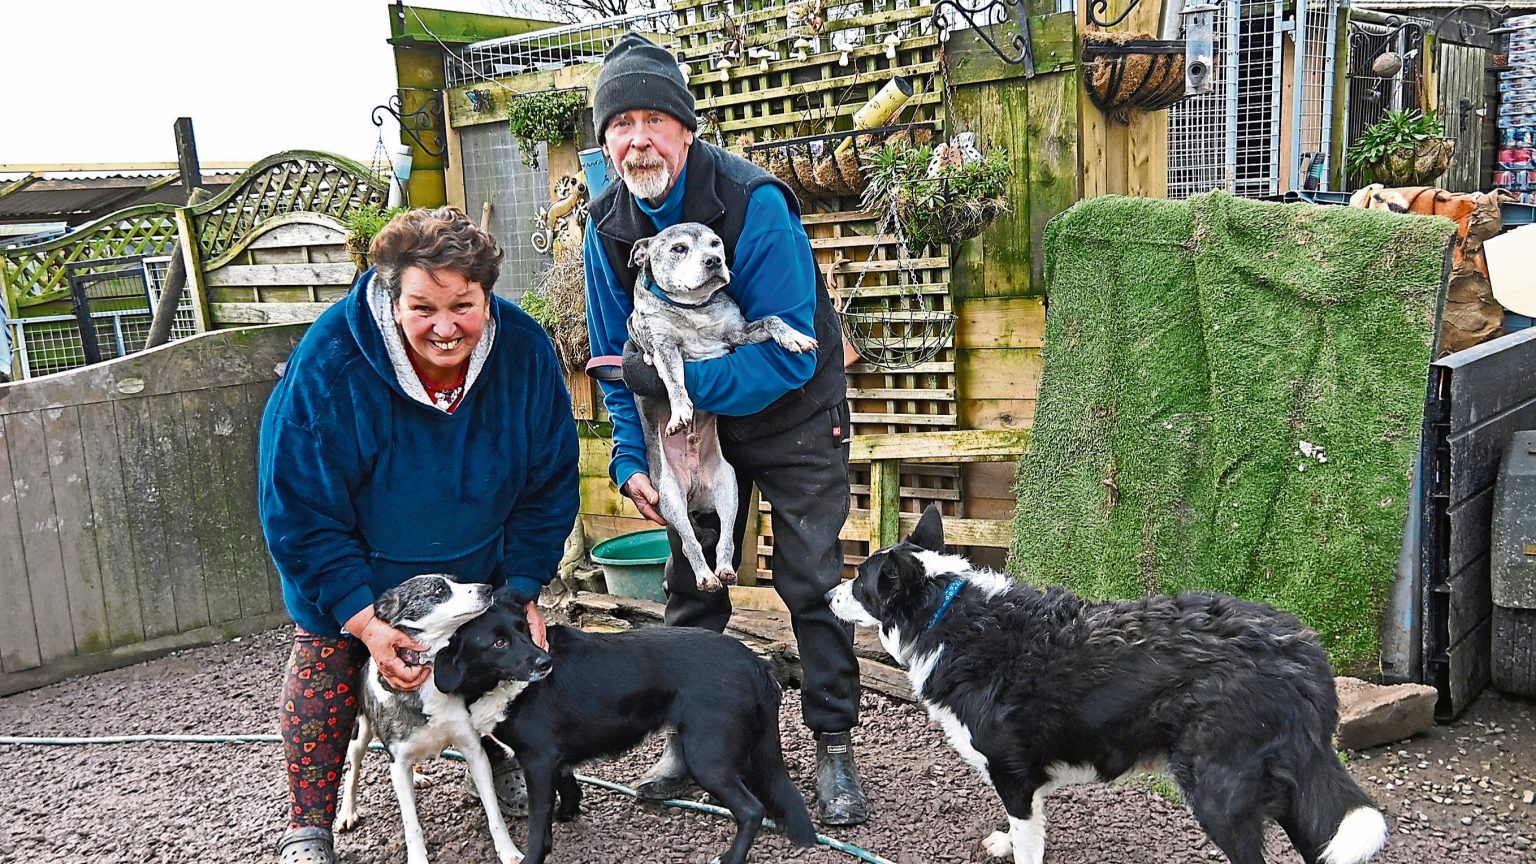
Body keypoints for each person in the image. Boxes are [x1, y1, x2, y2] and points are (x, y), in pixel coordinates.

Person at [583, 32, 868, 826]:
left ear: (687, 130)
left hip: (793, 412)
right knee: (690, 587)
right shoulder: (607, 227)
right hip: (688, 422)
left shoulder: (754, 203)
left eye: (654, 120)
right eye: (620, 125)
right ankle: (690, 739)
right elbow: (615, 359)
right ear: (605, 143)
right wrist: (632, 455)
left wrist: (674, 384)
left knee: (811, 580)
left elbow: (782, 357)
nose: (638, 139)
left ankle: (834, 746)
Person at [259, 207, 579, 863]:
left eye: (463, 306)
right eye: (423, 308)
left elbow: (548, 481)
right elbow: (299, 508)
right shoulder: (331, 363)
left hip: (470, 563)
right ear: (391, 297)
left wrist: (520, 589)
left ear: (486, 295)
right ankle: (309, 825)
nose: (445, 327)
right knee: (327, 666)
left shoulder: (523, 352)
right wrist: (363, 620)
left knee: (494, 653)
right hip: (354, 559)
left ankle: (499, 756)